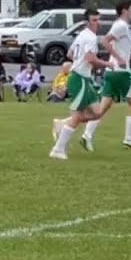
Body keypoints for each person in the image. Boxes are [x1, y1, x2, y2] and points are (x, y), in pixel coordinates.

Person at [81, 0, 131, 151]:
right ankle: (129, 138)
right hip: (120, 72)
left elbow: (112, 43)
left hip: (111, 72)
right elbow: (105, 41)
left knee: (104, 106)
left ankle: (87, 135)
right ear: (124, 11)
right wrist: (120, 59)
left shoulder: (120, 26)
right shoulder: (121, 26)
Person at [49, 9, 111, 160]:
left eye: (98, 19)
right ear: (87, 22)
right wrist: (106, 64)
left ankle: (62, 124)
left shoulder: (82, 35)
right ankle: (58, 149)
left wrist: (80, 62)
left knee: (97, 112)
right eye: (94, 20)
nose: (97, 23)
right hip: (79, 79)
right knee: (77, 117)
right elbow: (90, 59)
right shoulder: (90, 37)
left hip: (85, 79)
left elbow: (70, 54)